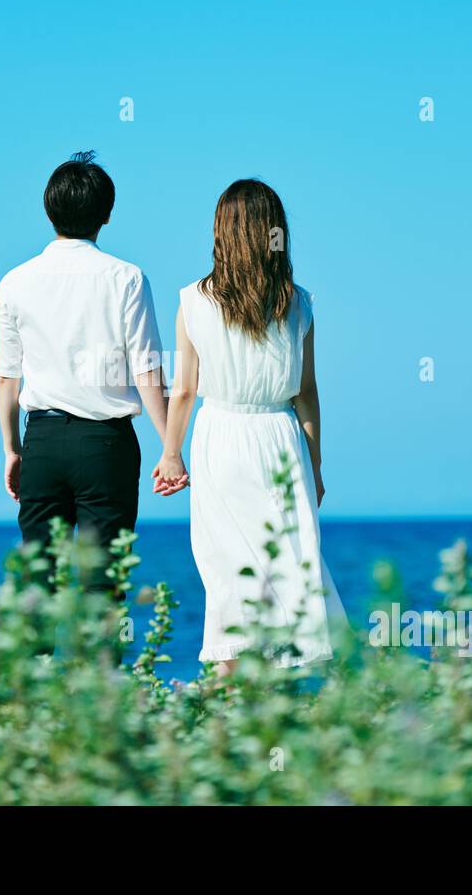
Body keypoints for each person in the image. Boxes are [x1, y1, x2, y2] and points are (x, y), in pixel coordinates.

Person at [153, 179, 345, 671]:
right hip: (282, 441)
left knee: (230, 577)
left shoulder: (194, 300)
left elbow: (186, 390)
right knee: (290, 571)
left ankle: (228, 693)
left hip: (221, 439)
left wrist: (171, 453)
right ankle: (281, 698)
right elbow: (307, 392)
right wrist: (316, 465)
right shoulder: (298, 303)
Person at [0, 151, 167, 594]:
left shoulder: (14, 282)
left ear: (48, 209)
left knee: (37, 585)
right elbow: (147, 369)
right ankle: (102, 666)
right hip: (106, 446)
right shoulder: (126, 278)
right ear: (106, 214)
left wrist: (13, 451)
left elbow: (7, 379)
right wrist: (171, 448)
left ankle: (32, 665)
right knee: (103, 589)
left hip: (43, 442)